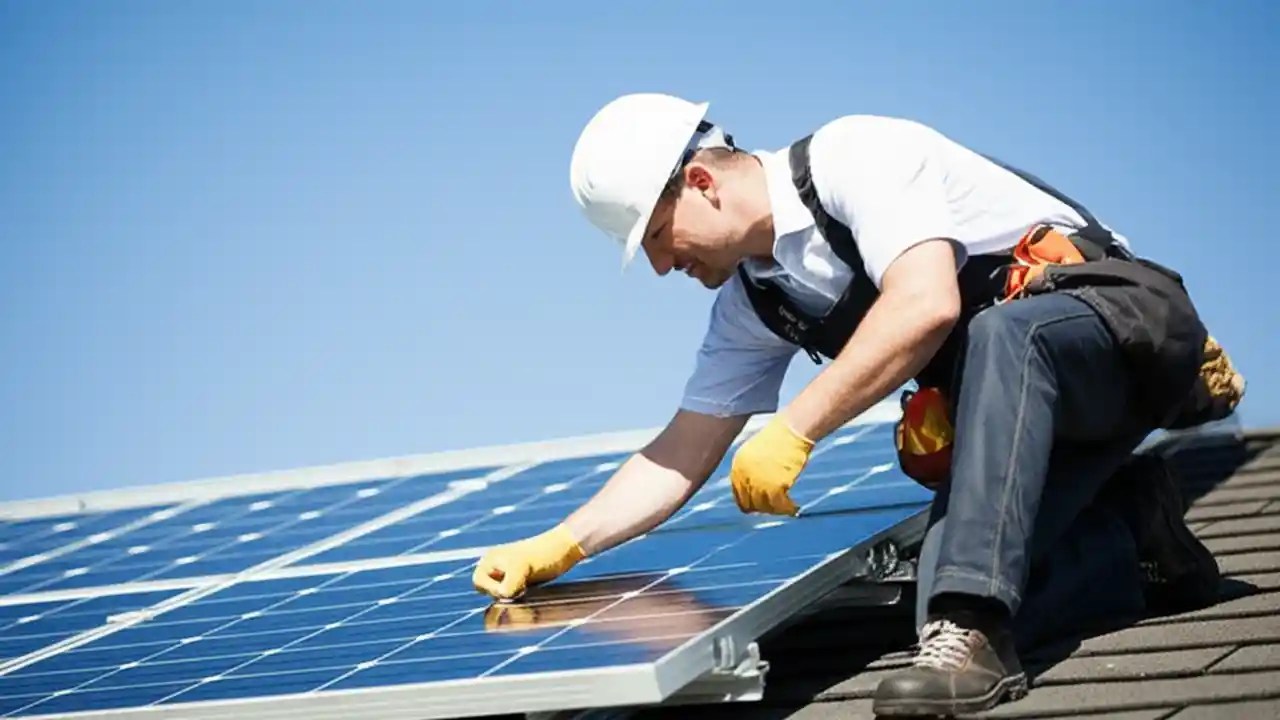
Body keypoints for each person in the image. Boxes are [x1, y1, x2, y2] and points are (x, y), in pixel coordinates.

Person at [471, 93, 1235, 716]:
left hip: (1118, 333)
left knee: (1008, 337)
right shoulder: (755, 302)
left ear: (700, 183)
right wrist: (560, 545)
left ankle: (972, 629)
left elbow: (927, 302)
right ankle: (1133, 530)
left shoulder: (853, 156)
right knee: (944, 588)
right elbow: (684, 449)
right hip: (1030, 420)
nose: (666, 266)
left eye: (661, 237)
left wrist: (796, 426)